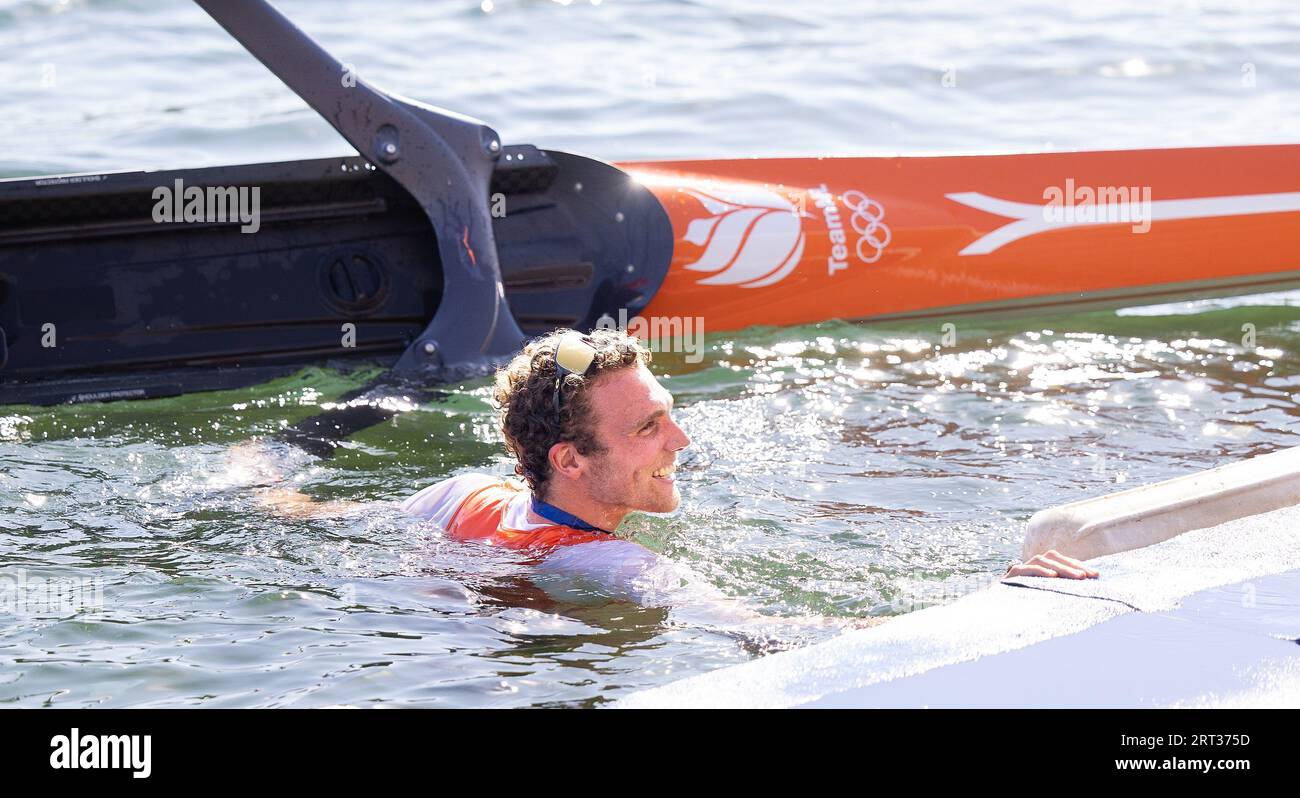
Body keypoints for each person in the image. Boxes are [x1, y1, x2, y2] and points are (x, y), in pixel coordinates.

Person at [248, 328, 1097, 613]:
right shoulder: (610, 561)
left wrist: (261, 486)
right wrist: (999, 598)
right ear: (570, 461)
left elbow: (322, 524)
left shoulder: (468, 493)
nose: (681, 441)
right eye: (649, 427)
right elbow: (783, 634)